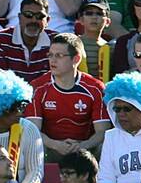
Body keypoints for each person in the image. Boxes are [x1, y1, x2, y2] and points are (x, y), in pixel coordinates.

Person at [27, 33, 108, 161]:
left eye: (59, 56)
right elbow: (32, 130)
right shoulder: (37, 87)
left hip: (85, 150)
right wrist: (56, 145)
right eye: (50, 55)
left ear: (76, 59)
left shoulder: (95, 88)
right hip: (50, 149)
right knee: (32, 143)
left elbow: (102, 132)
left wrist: (81, 146)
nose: (52, 60)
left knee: (106, 145)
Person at [0, 0, 53, 84]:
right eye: (28, 15)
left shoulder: (56, 41)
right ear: (19, 17)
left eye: (39, 16)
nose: (33, 20)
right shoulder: (0, 40)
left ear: (47, 20)